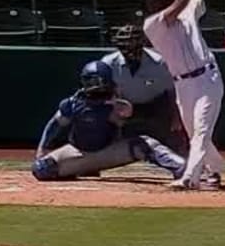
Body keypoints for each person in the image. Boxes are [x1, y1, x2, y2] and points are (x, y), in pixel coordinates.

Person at [30, 61, 186, 182]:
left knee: (145, 144)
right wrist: (42, 148)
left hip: (109, 151)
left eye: (99, 82)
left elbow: (127, 120)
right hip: (79, 151)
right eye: (92, 82)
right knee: (42, 169)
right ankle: (82, 168)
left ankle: (180, 167)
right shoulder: (72, 104)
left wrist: (123, 112)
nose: (96, 86)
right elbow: (54, 125)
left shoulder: (115, 102)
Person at [143, 0, 225, 190]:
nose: (153, 2)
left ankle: (191, 177)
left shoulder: (189, 9)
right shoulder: (151, 24)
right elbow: (174, 10)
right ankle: (216, 168)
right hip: (183, 84)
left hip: (208, 77)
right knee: (194, 132)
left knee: (200, 128)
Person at [101, 23, 182, 153]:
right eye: (126, 43)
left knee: (174, 137)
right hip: (124, 106)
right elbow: (105, 93)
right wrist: (115, 111)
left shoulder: (159, 62)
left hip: (155, 104)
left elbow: (172, 91)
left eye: (133, 41)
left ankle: (181, 162)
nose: (130, 46)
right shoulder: (108, 63)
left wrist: (176, 118)